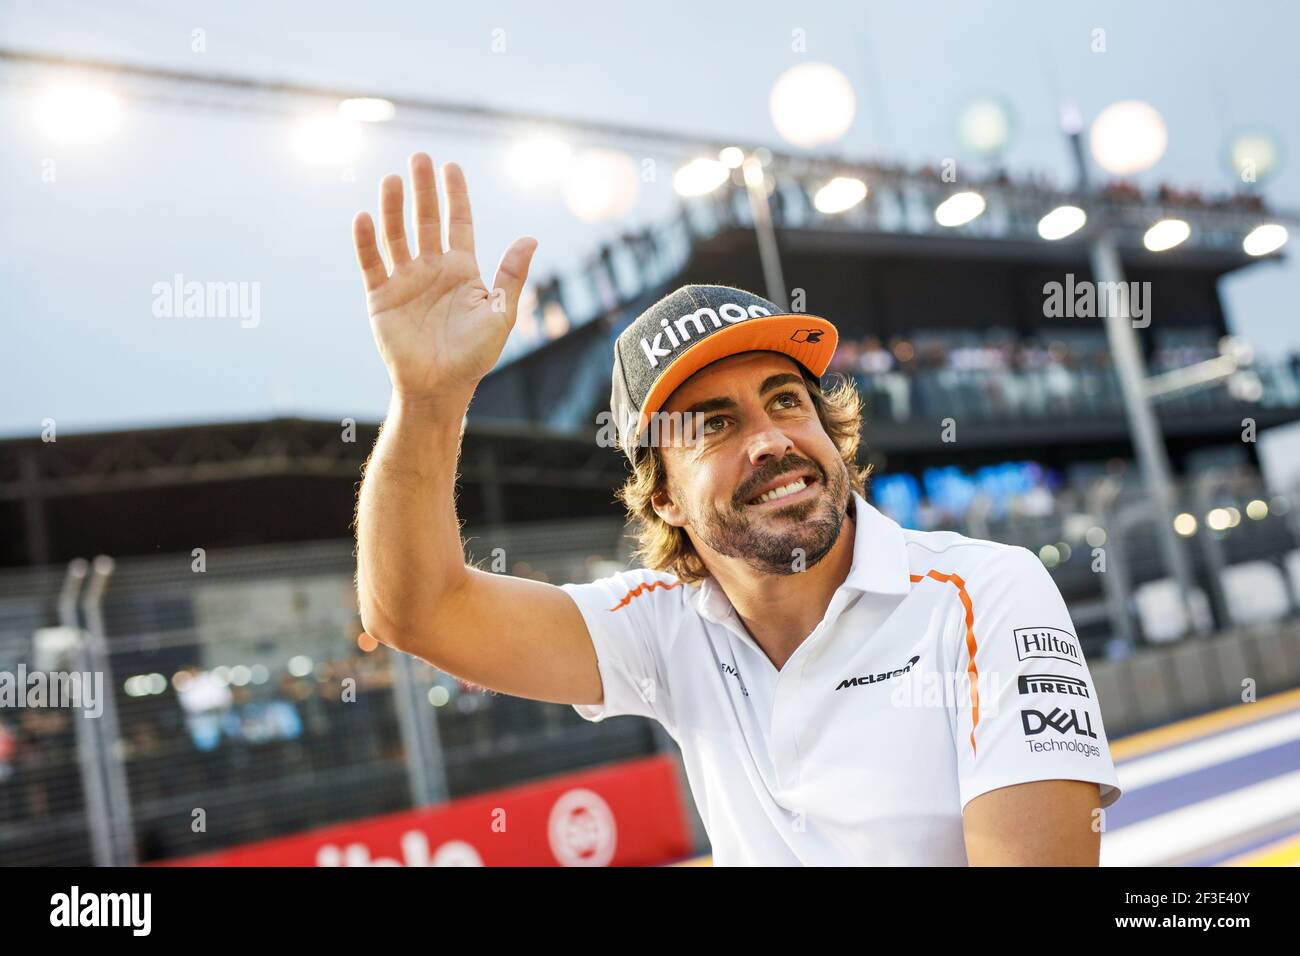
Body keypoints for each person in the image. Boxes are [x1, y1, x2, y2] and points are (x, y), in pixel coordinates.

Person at [350, 154, 1121, 866]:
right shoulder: (661, 625)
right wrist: (428, 399)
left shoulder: (982, 594)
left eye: (787, 401)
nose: (770, 441)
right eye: (715, 424)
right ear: (664, 497)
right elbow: (417, 611)